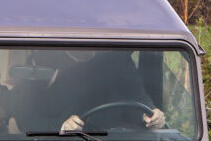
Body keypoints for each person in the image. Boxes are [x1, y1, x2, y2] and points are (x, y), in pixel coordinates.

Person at [9, 50, 165, 134]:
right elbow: (27, 117)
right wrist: (61, 127)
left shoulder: (116, 58)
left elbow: (137, 96)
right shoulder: (45, 57)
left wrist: (152, 114)